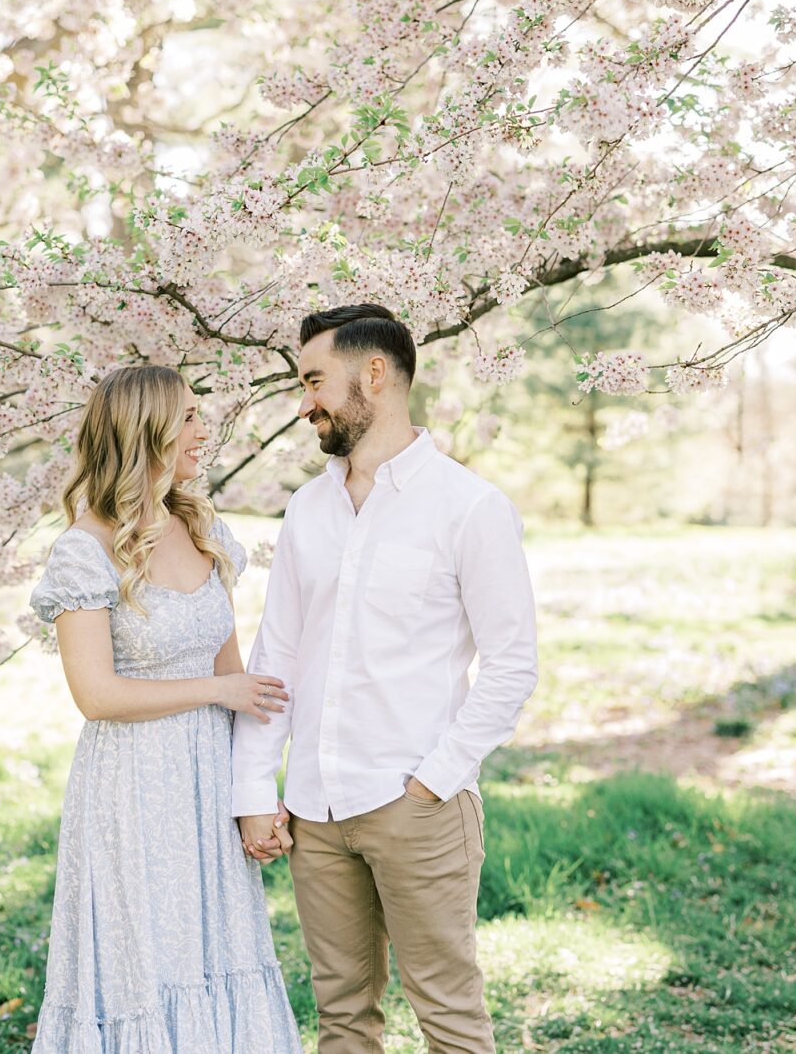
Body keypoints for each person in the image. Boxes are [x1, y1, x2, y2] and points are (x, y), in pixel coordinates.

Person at [232, 304, 539, 1053]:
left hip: (417, 806)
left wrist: (434, 779)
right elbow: (276, 657)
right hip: (313, 809)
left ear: (375, 374)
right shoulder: (306, 509)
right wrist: (253, 790)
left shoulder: (469, 507)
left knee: (451, 1019)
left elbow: (512, 664)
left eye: (314, 381)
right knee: (341, 1018)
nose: (305, 403)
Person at [27, 365, 304, 1051]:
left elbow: (233, 671)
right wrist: (215, 692)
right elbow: (96, 694)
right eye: (186, 418)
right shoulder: (84, 550)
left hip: (209, 778)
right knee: (146, 962)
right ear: (141, 431)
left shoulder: (202, 528)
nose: (202, 430)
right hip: (132, 787)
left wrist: (254, 797)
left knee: (219, 947)